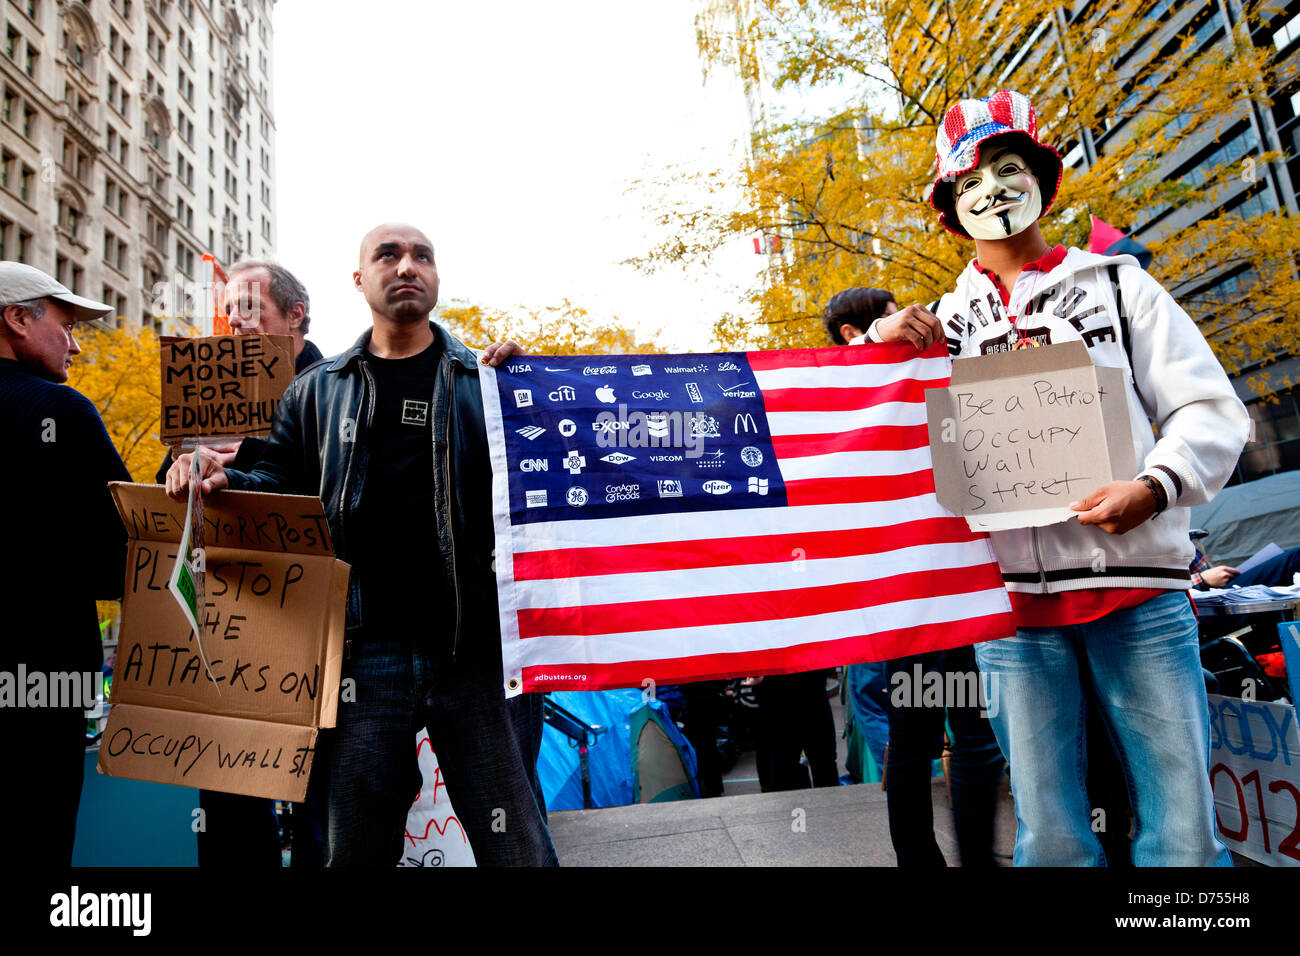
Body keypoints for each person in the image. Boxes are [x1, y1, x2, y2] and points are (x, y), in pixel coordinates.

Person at [867, 90, 1250, 866]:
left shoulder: (1122, 287)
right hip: (1009, 608)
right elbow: (891, 437)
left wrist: (1155, 486)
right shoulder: (940, 326)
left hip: (1140, 590)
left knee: (1182, 827)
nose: (990, 192)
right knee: (1049, 832)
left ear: (1043, 176)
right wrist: (875, 347)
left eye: (1007, 168)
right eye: (967, 182)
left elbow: (1209, 411)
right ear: (948, 207)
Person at [166, 223, 556, 866]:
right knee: (353, 849)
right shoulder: (315, 390)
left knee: (516, 847)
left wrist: (528, 395)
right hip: (359, 658)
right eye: (388, 254)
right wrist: (221, 474)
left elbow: (544, 481)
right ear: (359, 280)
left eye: (422, 256)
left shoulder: (485, 381)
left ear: (436, 277)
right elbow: (280, 483)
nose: (407, 265)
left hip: (475, 651)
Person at [155, 260, 325, 868]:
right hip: (227, 630)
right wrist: (187, 464)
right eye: (229, 309)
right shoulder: (211, 383)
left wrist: (246, 466)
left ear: (294, 315)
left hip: (315, 630)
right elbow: (168, 490)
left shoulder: (336, 386)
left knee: (320, 804)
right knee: (228, 801)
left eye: (249, 307)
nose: (234, 321)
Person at [827, 285, 1005, 864]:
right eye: (890, 317)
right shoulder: (851, 391)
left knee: (973, 735)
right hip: (914, 591)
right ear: (856, 335)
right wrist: (880, 336)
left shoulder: (924, 369)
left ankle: (975, 858)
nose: (913, 324)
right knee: (918, 736)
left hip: (960, 575)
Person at [0, 262, 132, 865]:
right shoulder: (62, 412)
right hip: (40, 682)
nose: (76, 343)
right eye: (66, 323)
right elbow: (123, 557)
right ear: (17, 320)